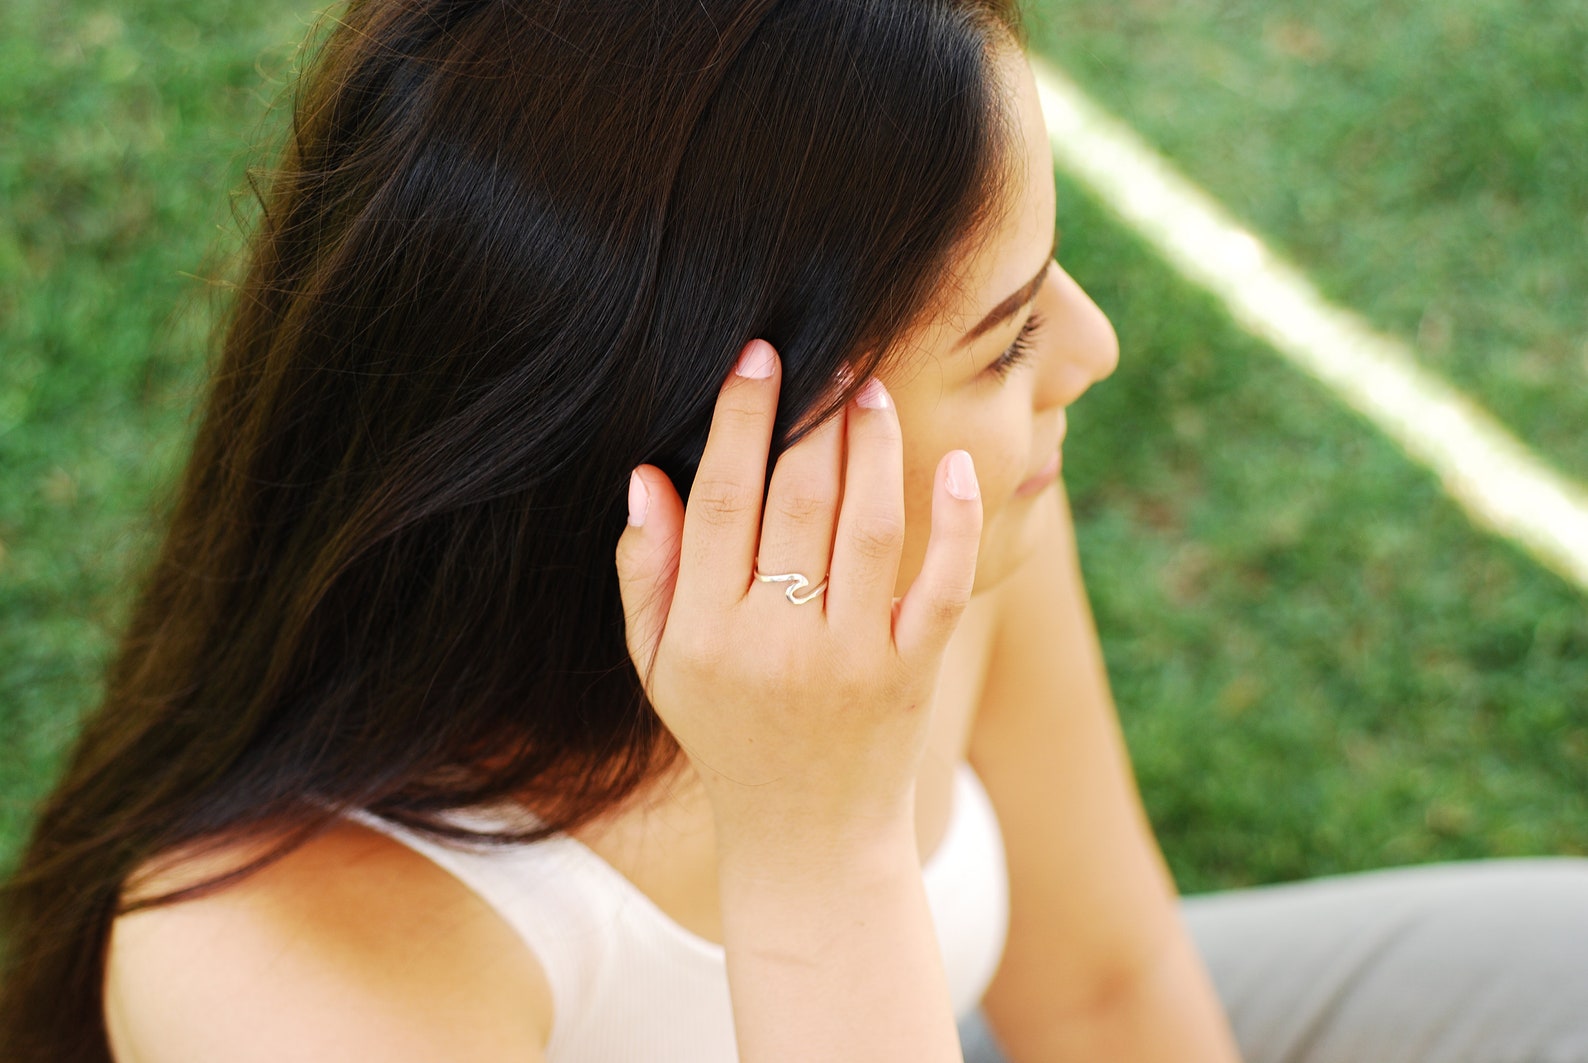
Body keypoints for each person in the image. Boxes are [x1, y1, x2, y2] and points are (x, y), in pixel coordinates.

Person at [3, 2, 1586, 1061]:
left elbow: (1108, 998)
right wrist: (818, 843)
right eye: (1006, 341)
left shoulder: (938, 537)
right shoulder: (269, 953)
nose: (1095, 353)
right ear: (719, 455)